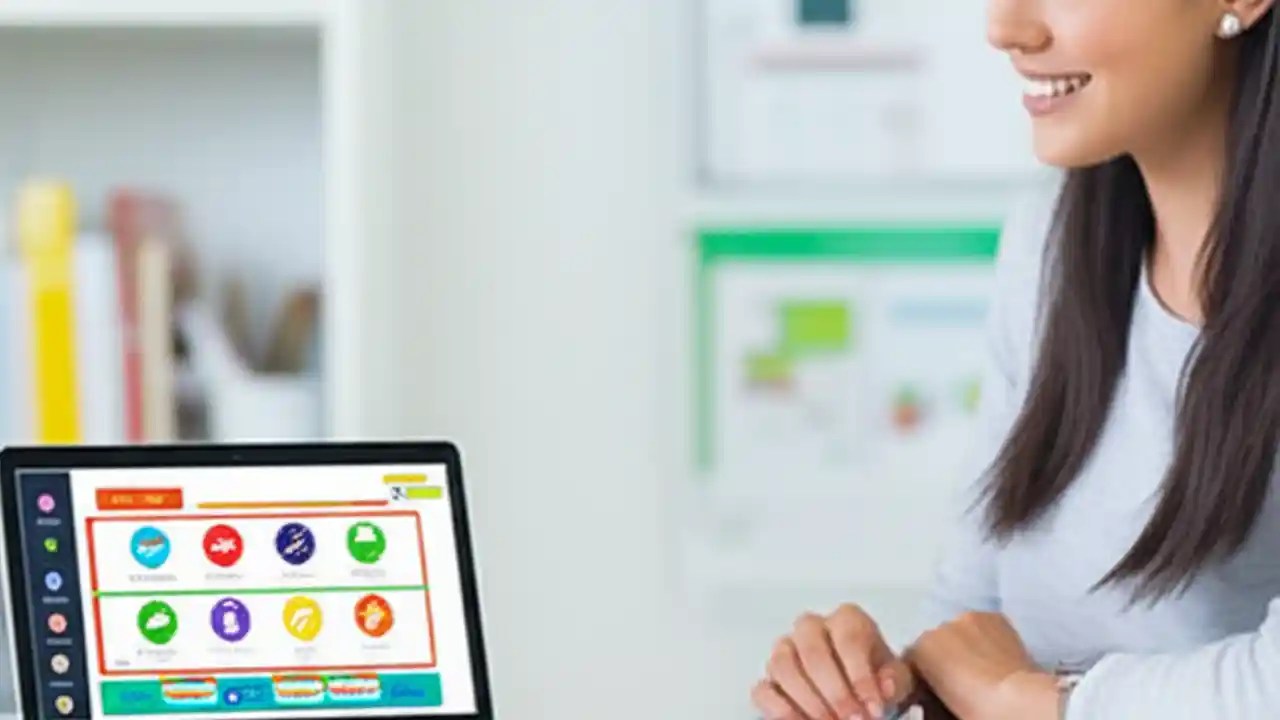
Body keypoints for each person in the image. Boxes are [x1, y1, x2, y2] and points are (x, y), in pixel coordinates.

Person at [750, 0, 1280, 718]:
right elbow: (970, 620)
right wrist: (882, 690)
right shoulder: (1050, 247)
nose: (1007, 28)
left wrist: (1035, 704)